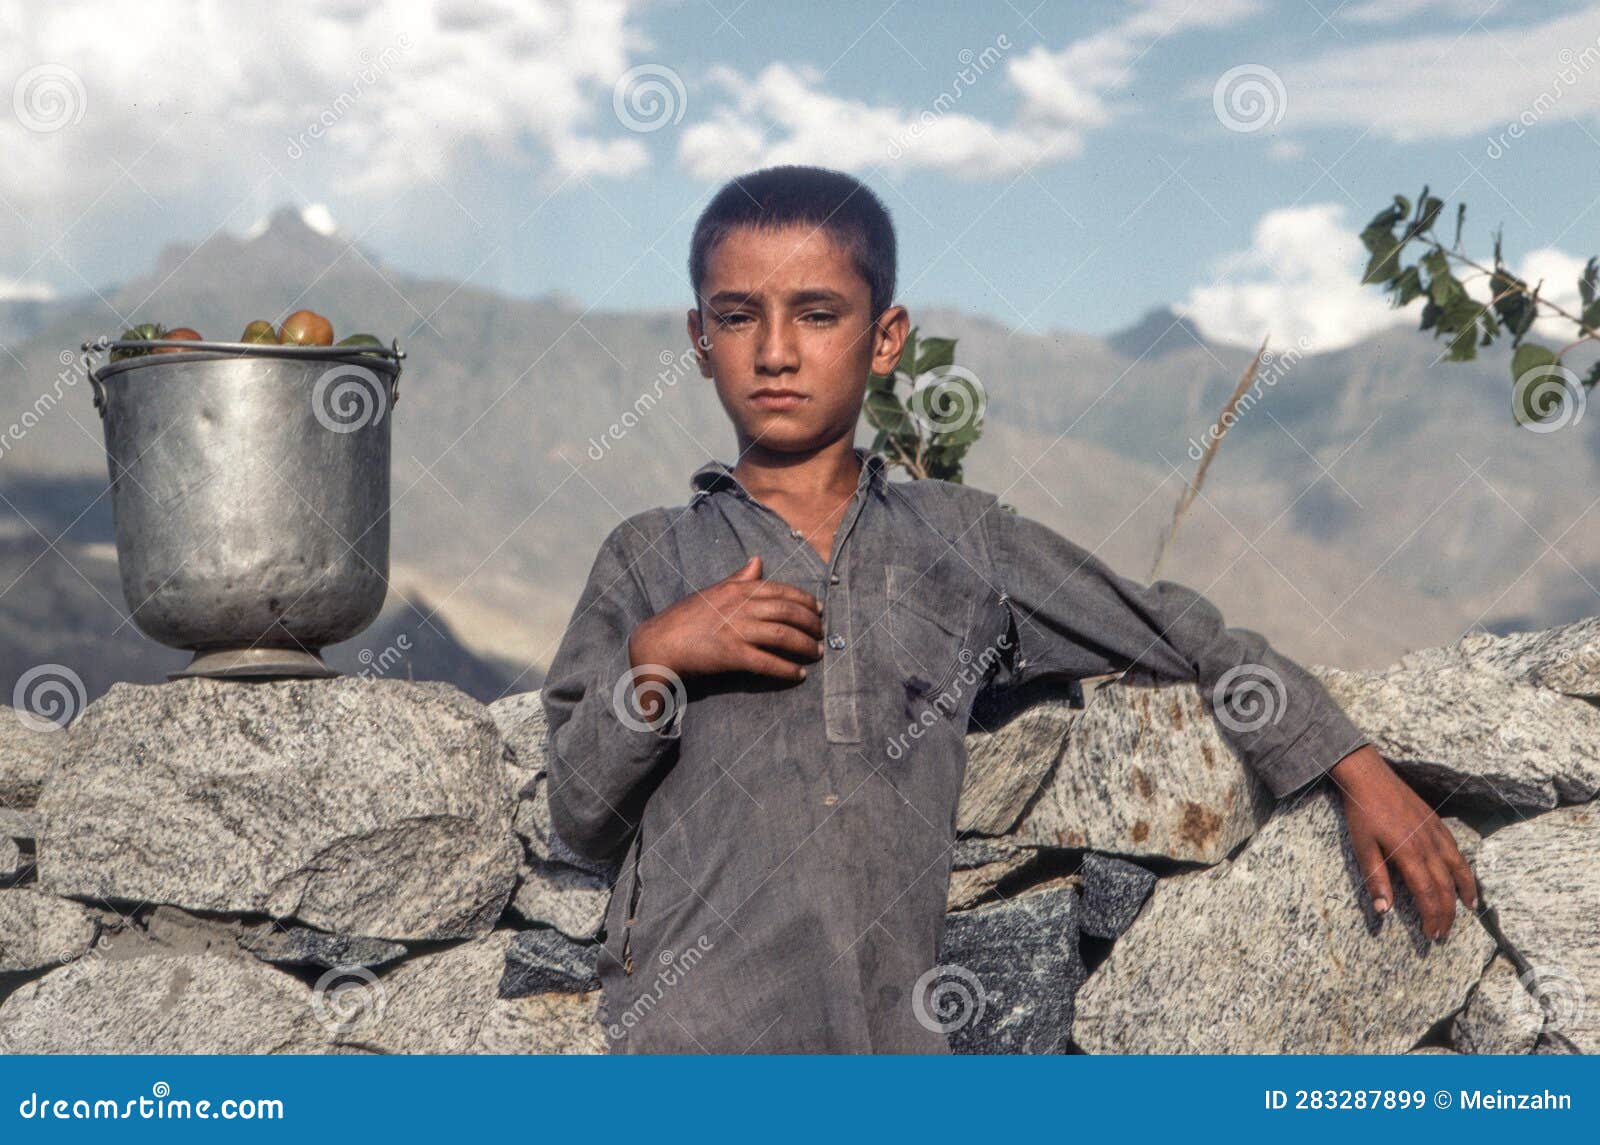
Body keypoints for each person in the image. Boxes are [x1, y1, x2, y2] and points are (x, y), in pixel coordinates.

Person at [541, 164, 1478, 1053]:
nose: (776, 350)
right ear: (700, 340)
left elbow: (1173, 630)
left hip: (893, 1048)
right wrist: (655, 659)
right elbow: (580, 812)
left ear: (885, 337)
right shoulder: (649, 555)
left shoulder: (960, 541)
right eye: (738, 316)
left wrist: (1349, 762)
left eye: (818, 314)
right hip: (689, 1049)